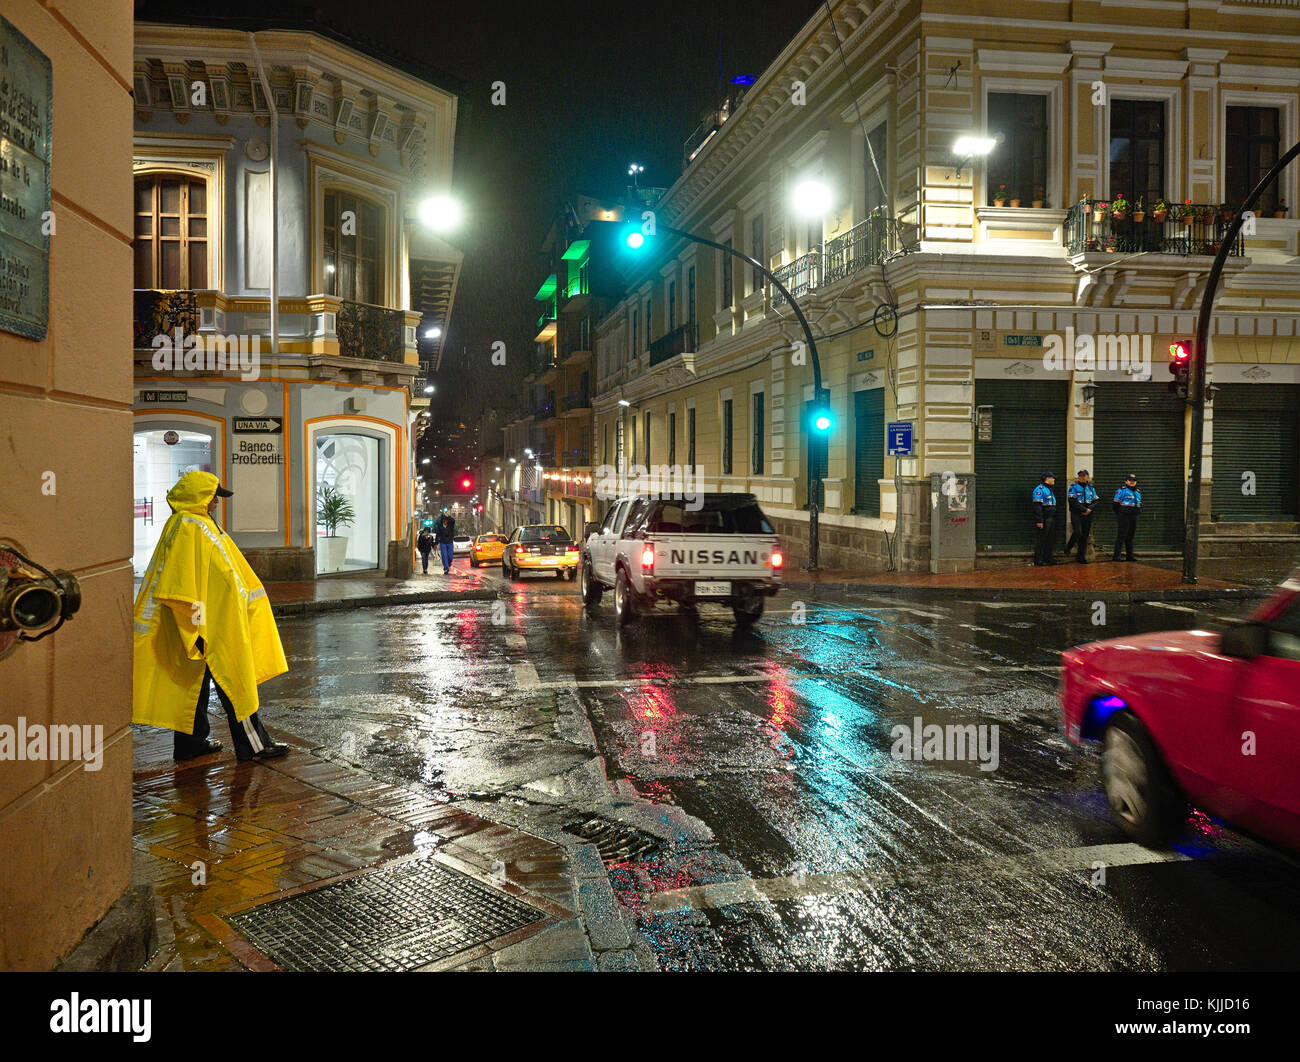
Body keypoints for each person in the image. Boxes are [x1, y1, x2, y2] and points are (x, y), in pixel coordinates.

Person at [133, 470, 290, 763]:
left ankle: (191, 744)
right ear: (200, 497)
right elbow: (182, 585)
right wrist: (196, 628)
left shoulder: (189, 524)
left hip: (206, 620)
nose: (217, 501)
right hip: (210, 623)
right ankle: (254, 746)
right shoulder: (191, 527)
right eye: (214, 496)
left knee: (197, 683)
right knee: (234, 681)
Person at [1065, 469, 1099, 563]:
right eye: (1080, 476)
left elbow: (1096, 500)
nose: (1082, 477)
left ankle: (1081, 557)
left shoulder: (1091, 488)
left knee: (1084, 536)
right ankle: (1068, 547)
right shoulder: (1073, 487)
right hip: (1077, 513)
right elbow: (1072, 501)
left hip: (1088, 514)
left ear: (1087, 477)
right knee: (1077, 532)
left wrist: (1089, 509)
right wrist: (1083, 510)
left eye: (1084, 476)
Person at [1113, 473, 1142, 562]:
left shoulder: (1137, 491)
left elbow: (1139, 503)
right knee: (1122, 535)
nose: (1132, 482)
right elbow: (1115, 505)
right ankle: (1116, 556)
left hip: (1134, 516)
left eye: (1134, 481)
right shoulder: (1121, 491)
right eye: (1130, 480)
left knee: (1130, 536)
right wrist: (1120, 513)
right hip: (1124, 516)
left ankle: (1129, 556)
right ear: (1126, 481)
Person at [1032, 473, 1058, 566]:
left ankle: (1048, 558)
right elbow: (1037, 507)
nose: (1054, 480)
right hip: (1044, 519)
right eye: (1052, 478)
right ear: (1047, 479)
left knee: (1050, 539)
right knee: (1041, 540)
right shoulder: (1039, 490)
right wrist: (1039, 520)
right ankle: (1039, 560)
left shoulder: (1049, 489)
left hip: (1051, 518)